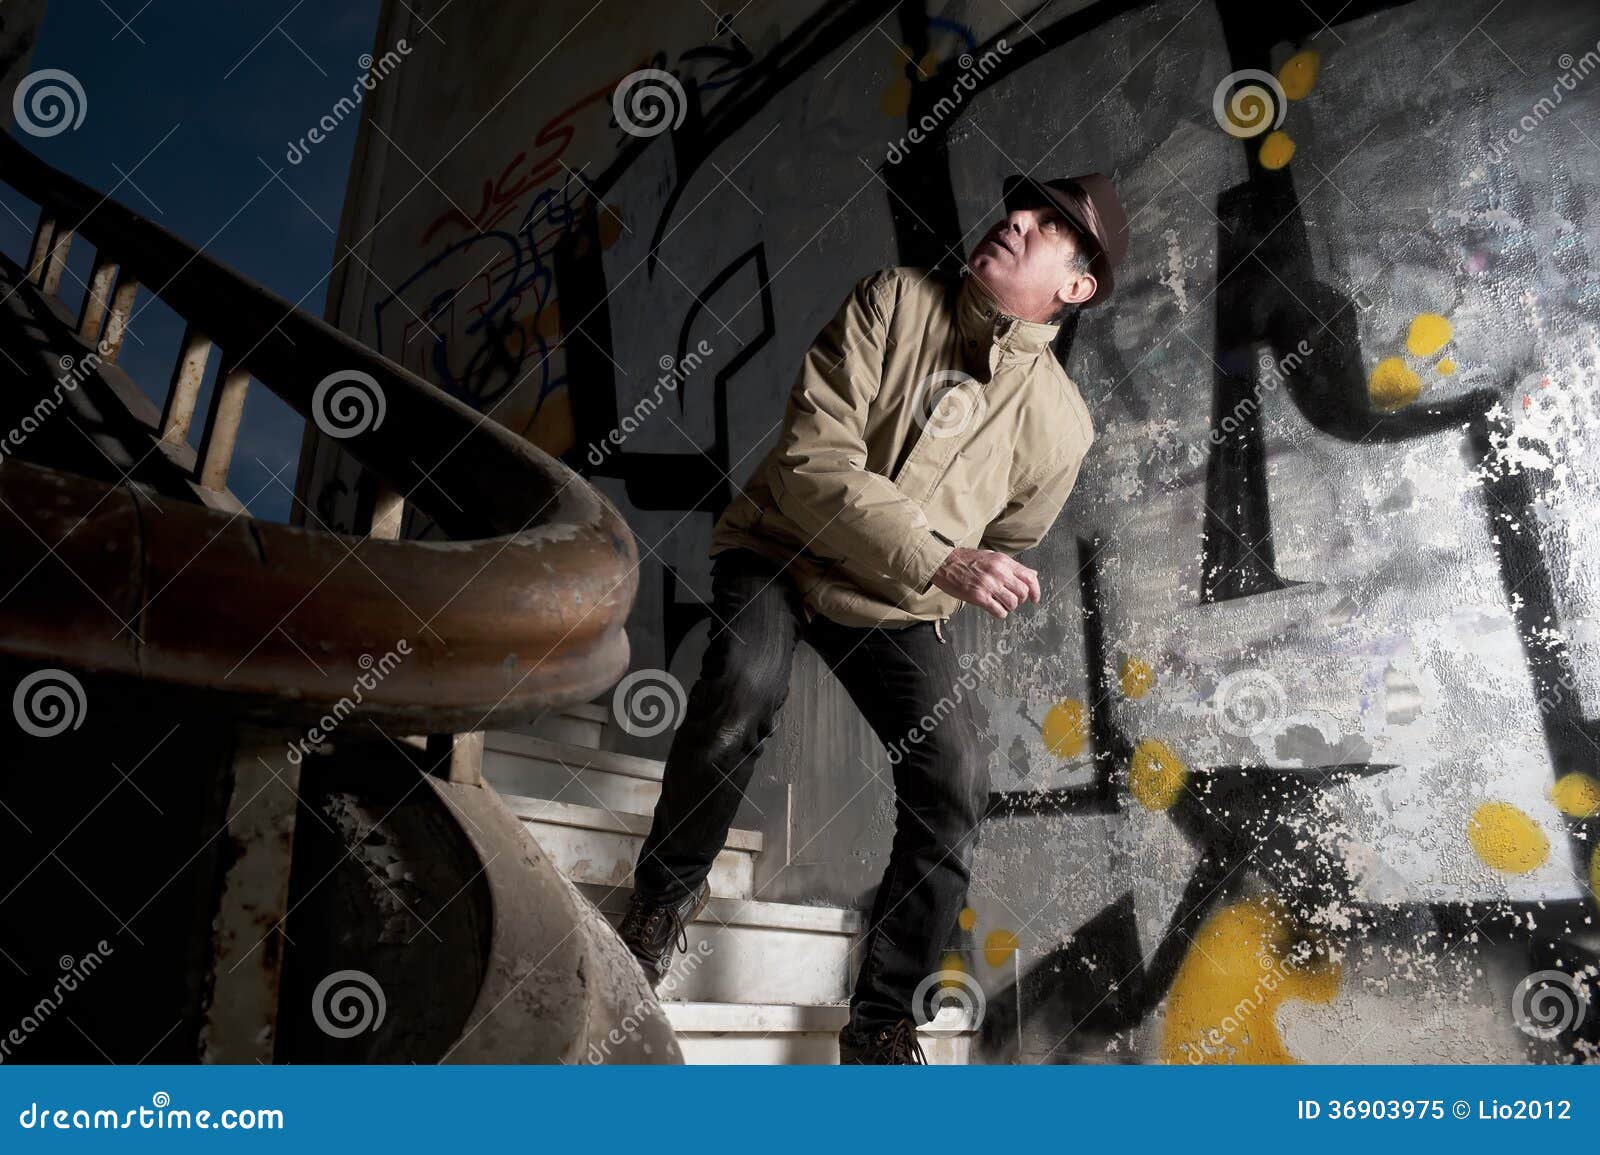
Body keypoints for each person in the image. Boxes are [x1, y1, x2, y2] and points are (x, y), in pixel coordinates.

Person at [619, 173, 1128, 1063]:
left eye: (1048, 225)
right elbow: (811, 463)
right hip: (781, 549)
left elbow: (1012, 533)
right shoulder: (893, 300)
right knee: (743, 686)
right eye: (1019, 207)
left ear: (1076, 285)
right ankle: (659, 904)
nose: (1015, 219)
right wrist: (940, 556)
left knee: (955, 779)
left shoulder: (1062, 425)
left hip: (893, 603)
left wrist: (938, 563)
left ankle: (883, 1021)